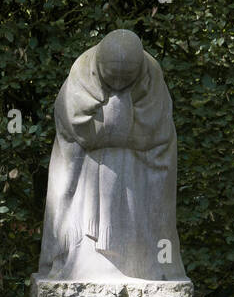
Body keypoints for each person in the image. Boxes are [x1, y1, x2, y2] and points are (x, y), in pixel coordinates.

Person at [38, 29, 188, 282]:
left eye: (126, 81)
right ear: (98, 68)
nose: (118, 88)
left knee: (141, 178)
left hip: (140, 172)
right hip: (88, 174)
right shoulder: (81, 76)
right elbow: (73, 129)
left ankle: (144, 263)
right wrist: (112, 127)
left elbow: (159, 134)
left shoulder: (152, 79)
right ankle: (83, 262)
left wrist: (122, 125)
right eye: (111, 80)